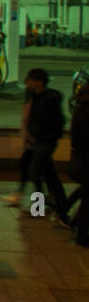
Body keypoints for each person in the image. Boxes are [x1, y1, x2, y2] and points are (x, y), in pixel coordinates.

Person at [22, 68, 72, 227]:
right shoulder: (36, 97)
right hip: (41, 140)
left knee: (36, 172)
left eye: (30, 79)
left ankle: (39, 207)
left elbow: (56, 121)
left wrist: (43, 134)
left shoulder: (48, 99)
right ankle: (61, 203)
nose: (27, 82)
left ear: (38, 81)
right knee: (49, 174)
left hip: (45, 141)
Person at [67, 86, 89, 246]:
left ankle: (65, 211)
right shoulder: (85, 114)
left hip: (80, 160)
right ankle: (81, 233)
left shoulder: (80, 111)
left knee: (85, 194)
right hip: (85, 161)